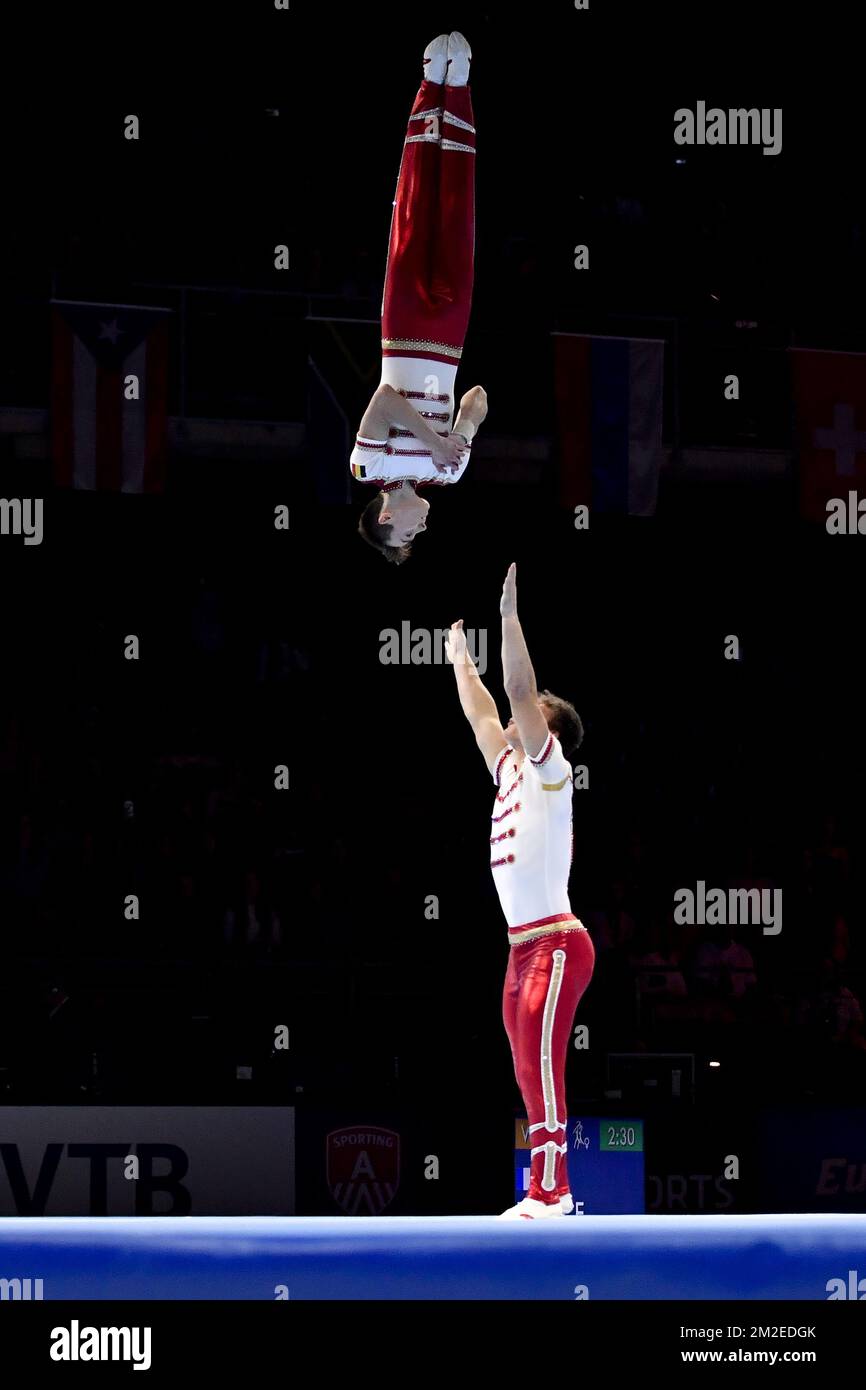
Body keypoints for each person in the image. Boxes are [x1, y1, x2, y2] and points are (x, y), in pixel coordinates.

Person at [446, 564, 594, 1217]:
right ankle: (540, 1185)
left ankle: (554, 1190)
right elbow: (483, 710)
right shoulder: (508, 772)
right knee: (526, 1068)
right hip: (519, 950)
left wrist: (508, 619)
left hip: (559, 944)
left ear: (546, 730)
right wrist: (457, 660)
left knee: (544, 1057)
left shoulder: (551, 770)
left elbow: (515, 687)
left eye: (525, 717)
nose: (511, 721)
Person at [352, 33, 488, 563]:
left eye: (408, 535)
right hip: (449, 342)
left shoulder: (368, 468)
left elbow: (384, 402)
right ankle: (459, 93)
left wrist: (434, 446)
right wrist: (463, 430)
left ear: (386, 518)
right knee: (457, 217)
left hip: (405, 329)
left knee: (413, 214)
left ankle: (430, 85)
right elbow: (476, 394)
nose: (419, 531)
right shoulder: (446, 476)